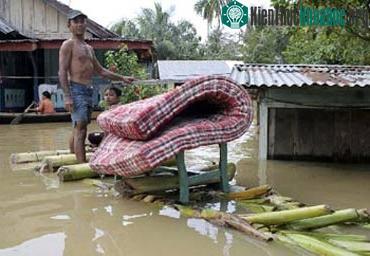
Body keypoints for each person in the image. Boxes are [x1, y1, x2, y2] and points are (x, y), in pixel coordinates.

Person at [58, 10, 135, 163]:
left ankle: (73, 153)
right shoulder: (68, 45)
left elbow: (100, 71)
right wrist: (67, 96)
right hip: (76, 89)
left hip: (88, 90)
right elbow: (62, 71)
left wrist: (123, 78)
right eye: (76, 21)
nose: (80, 24)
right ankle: (81, 164)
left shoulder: (88, 48)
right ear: (69, 25)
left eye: (82, 21)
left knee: (80, 125)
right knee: (81, 129)